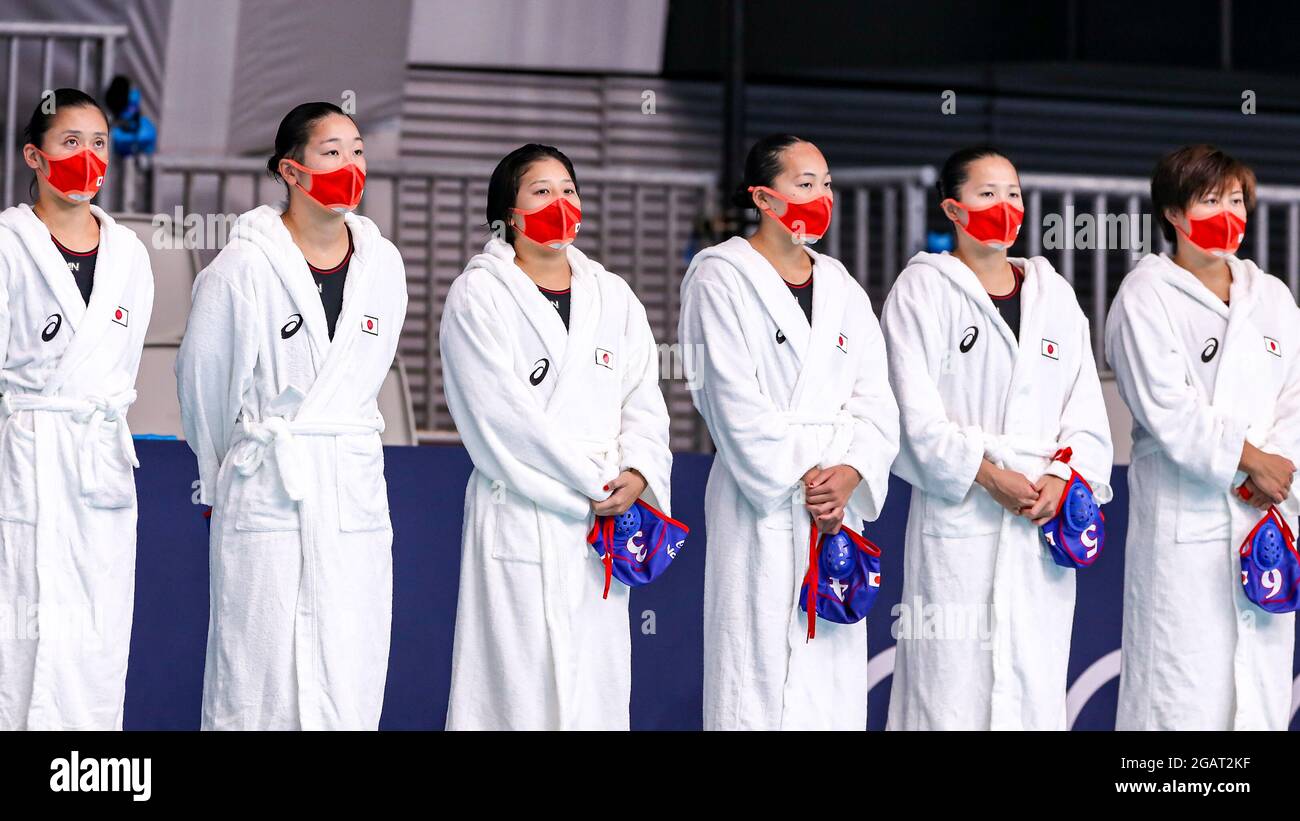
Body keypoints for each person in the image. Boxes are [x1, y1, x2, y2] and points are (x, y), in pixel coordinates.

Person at [175, 102, 407, 730]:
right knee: (259, 660)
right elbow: (205, 387)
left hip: (350, 485)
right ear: (291, 170)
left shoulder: (384, 267)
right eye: (332, 153)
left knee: (350, 657)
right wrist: (223, 475)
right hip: (268, 484)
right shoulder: (241, 269)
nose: (351, 166)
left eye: (358, 150)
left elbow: (370, 372)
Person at [440, 144, 673, 730]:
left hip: (604, 526)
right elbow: (500, 418)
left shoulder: (613, 296)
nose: (560, 202)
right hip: (525, 512)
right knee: (514, 689)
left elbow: (643, 397)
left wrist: (638, 473)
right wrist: (594, 482)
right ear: (509, 214)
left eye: (568, 189)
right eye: (541, 191)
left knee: (595, 684)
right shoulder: (481, 295)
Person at [882, 146, 1113, 730]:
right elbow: (912, 417)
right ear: (954, 210)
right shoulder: (922, 291)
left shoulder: (1054, 296)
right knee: (948, 689)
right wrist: (986, 474)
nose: (1005, 207)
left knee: (1033, 688)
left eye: (1013, 194)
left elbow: (1086, 409)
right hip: (961, 521)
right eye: (988, 195)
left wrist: (1065, 475)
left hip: (1041, 520)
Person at [679, 134, 900, 730]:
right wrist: (810, 476)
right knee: (755, 670)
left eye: (827, 183)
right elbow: (728, 400)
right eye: (805, 184)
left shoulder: (843, 288)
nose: (822, 196)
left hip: (837, 512)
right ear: (763, 197)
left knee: (831, 679)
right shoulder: (719, 277)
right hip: (765, 505)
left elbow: (877, 402)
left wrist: (851, 473)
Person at [1107, 144, 1299, 730]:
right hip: (1184, 531)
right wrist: (1249, 462)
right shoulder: (1145, 297)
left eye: (1235, 199)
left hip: (1265, 522)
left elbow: (1294, 398)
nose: (1227, 212)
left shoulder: (1272, 297)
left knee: (1258, 694)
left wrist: (1278, 469)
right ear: (1172, 212)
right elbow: (1169, 411)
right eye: (1209, 199)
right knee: (1179, 694)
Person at [0, 88, 154, 730]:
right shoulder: (8, 245)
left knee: (97, 629)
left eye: (99, 144)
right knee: (22, 621)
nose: (88, 158)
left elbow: (125, 363)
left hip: (98, 465)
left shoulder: (130, 256)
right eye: (70, 143)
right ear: (34, 157)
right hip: (27, 455)